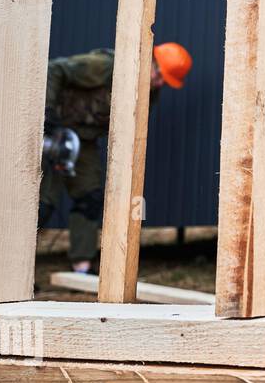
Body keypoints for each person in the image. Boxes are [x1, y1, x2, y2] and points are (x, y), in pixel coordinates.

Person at [38, 42, 191, 272]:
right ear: (150, 62)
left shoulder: (150, 93)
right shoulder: (107, 66)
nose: (160, 83)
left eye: (165, 82)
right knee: (42, 202)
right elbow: (54, 69)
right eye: (160, 76)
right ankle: (16, 269)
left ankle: (82, 266)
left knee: (89, 196)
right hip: (51, 132)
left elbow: (129, 127)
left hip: (83, 141)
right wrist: (47, 114)